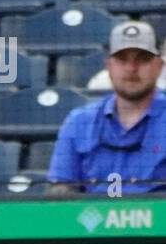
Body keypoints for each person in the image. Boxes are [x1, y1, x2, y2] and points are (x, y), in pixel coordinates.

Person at [49, 20, 166, 193]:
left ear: (159, 66)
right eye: (121, 59)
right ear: (109, 66)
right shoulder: (79, 121)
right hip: (92, 218)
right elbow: (61, 189)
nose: (131, 68)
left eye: (142, 59)